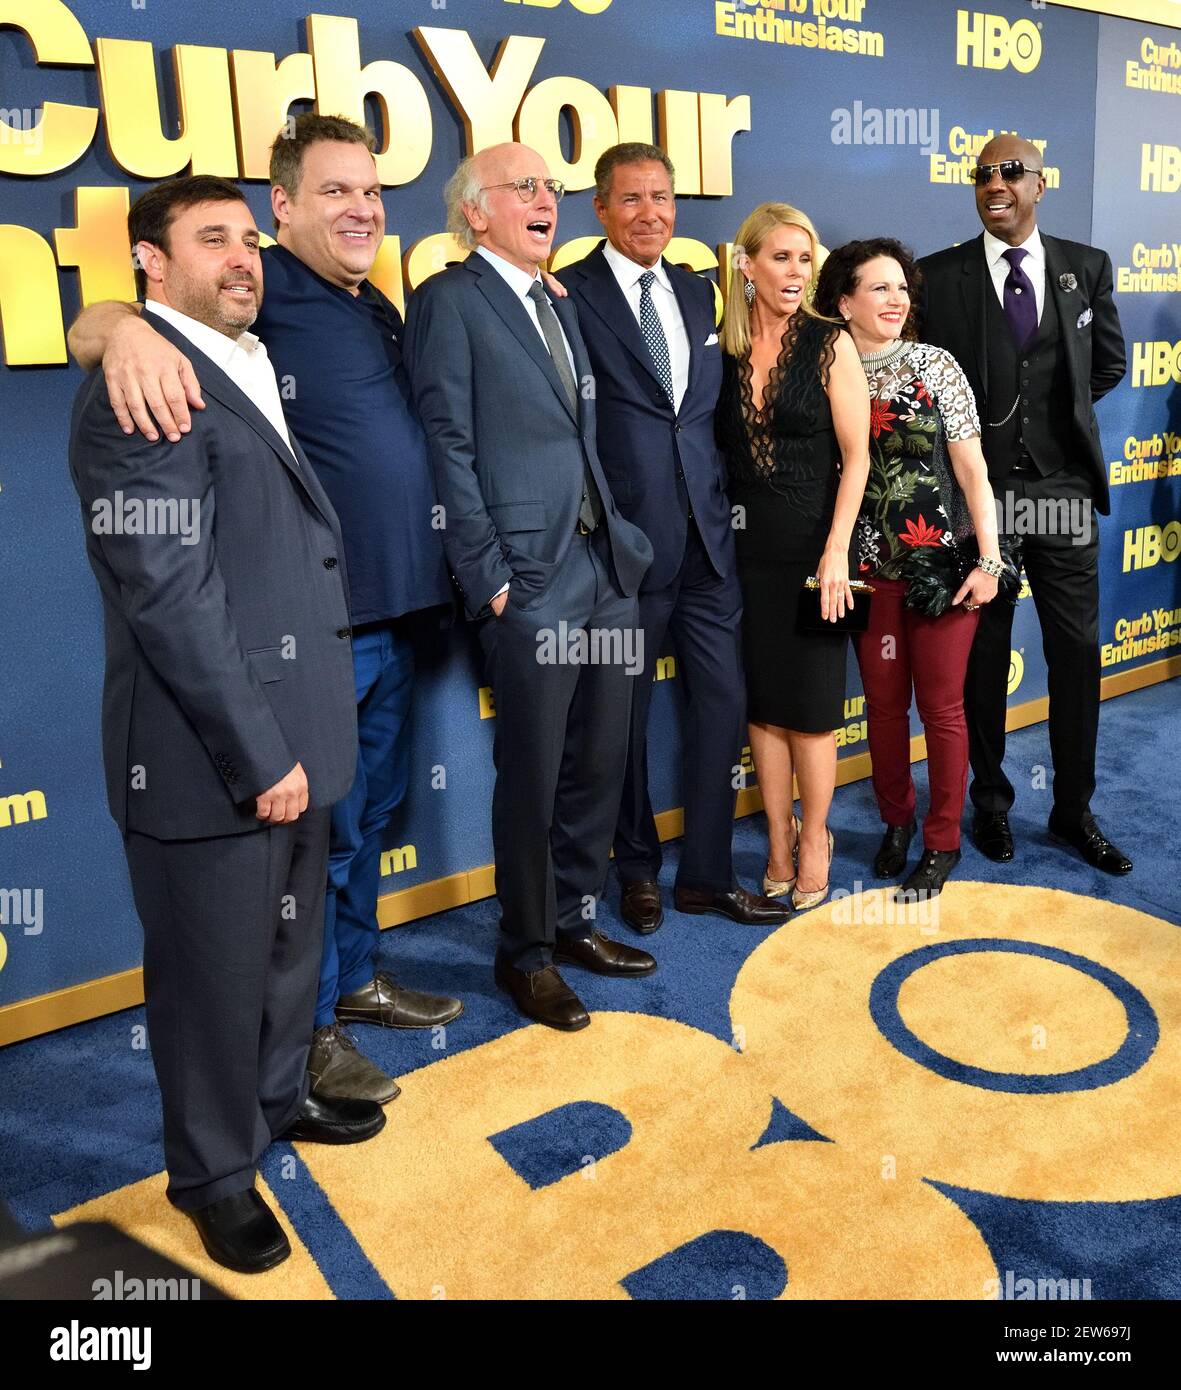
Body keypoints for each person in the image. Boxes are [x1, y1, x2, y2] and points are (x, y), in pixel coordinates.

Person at [67, 115, 464, 1108]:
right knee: (310, 851)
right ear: (282, 205)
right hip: (313, 638)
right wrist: (116, 331)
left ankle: (352, 987)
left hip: (396, 612)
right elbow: (108, 318)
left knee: (363, 824)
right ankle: (310, 1036)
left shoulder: (373, 302)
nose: (361, 208)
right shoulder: (256, 290)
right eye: (334, 191)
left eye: (370, 191)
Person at [68, 176, 385, 1275]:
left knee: (288, 955)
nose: (243, 257)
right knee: (209, 980)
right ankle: (212, 1175)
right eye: (213, 240)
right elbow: (168, 593)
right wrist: (260, 753)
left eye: (250, 239)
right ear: (150, 262)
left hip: (297, 726)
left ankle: (273, 1099)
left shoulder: (231, 352)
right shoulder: (140, 381)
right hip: (210, 757)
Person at [403, 143, 656, 1030]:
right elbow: (449, 447)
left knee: (599, 761)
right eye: (525, 188)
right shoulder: (447, 301)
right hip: (530, 580)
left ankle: (574, 917)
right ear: (476, 212)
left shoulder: (558, 302)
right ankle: (526, 953)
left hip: (604, 570)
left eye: (550, 186)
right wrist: (492, 581)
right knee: (536, 771)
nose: (546, 199)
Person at [556, 143, 787, 934]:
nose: (650, 212)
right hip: (622, 550)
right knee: (617, 722)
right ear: (600, 208)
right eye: (631, 199)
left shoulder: (696, 293)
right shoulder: (567, 294)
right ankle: (636, 873)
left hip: (707, 547)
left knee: (720, 707)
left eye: (661, 197)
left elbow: (703, 417)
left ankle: (707, 875)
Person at [918, 135, 1131, 875]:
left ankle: (1072, 810)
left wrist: (1056, 425)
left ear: (1040, 183)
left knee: (1075, 652)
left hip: (1062, 490)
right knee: (982, 655)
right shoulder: (936, 277)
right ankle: (991, 805)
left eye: (1011, 172)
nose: (995, 184)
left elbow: (1106, 363)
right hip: (979, 497)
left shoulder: (1084, 267)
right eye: (982, 174)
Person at [814, 238, 1008, 900]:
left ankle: (941, 839)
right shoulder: (825, 368)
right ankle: (895, 821)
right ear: (843, 302)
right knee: (883, 707)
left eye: (901, 288)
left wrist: (989, 558)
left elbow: (971, 469)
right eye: (878, 288)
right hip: (866, 571)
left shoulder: (936, 365)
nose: (896, 299)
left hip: (941, 569)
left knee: (944, 710)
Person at [715, 204, 870, 910]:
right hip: (742, 553)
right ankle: (776, 838)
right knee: (764, 707)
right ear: (745, 264)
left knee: (808, 710)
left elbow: (857, 456)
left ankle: (815, 838)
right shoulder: (719, 343)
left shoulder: (829, 343)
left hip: (815, 548)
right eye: (779, 257)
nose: (795, 272)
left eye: (804, 259)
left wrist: (836, 551)